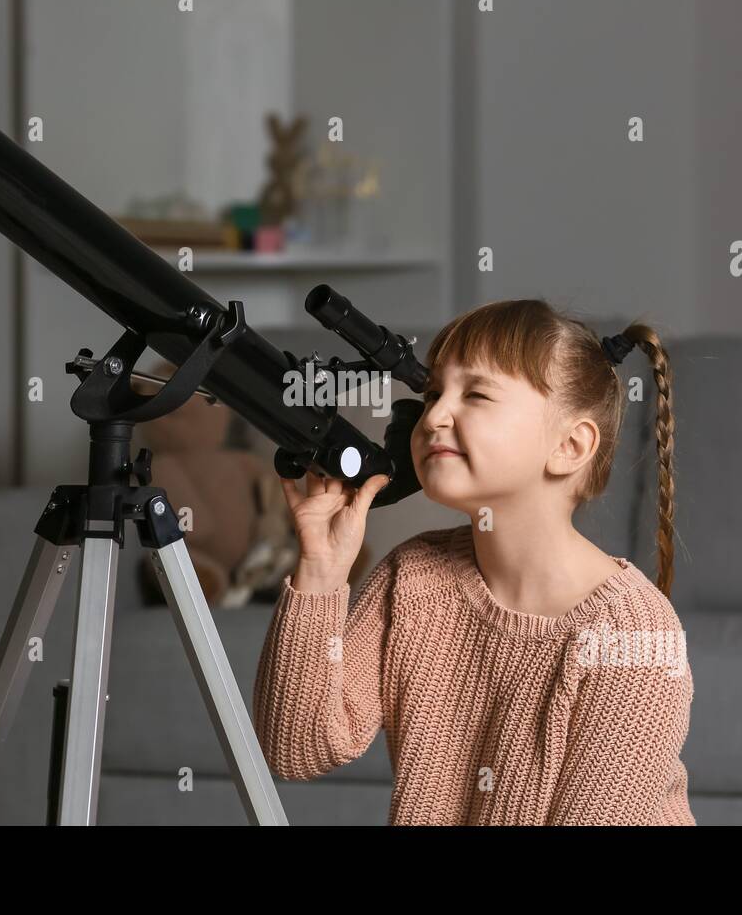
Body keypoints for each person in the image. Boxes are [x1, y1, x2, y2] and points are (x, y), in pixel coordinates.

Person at [252, 298, 694, 825]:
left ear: (571, 446)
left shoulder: (634, 639)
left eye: (477, 394)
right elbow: (294, 751)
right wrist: (322, 572)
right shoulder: (411, 577)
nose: (433, 416)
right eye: (434, 392)